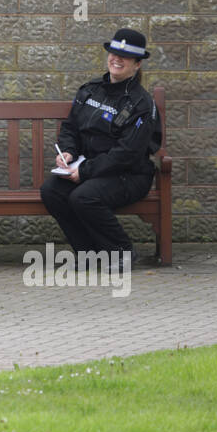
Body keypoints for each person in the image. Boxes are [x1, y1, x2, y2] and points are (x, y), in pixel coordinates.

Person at [39, 28, 163, 266]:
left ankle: (122, 252)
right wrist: (68, 152)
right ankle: (88, 254)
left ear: (137, 64)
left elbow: (127, 152)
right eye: (113, 53)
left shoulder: (141, 104)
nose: (116, 59)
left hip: (128, 174)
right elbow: (70, 127)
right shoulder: (90, 89)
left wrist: (84, 172)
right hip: (90, 168)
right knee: (51, 190)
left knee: (84, 196)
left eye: (124, 57)